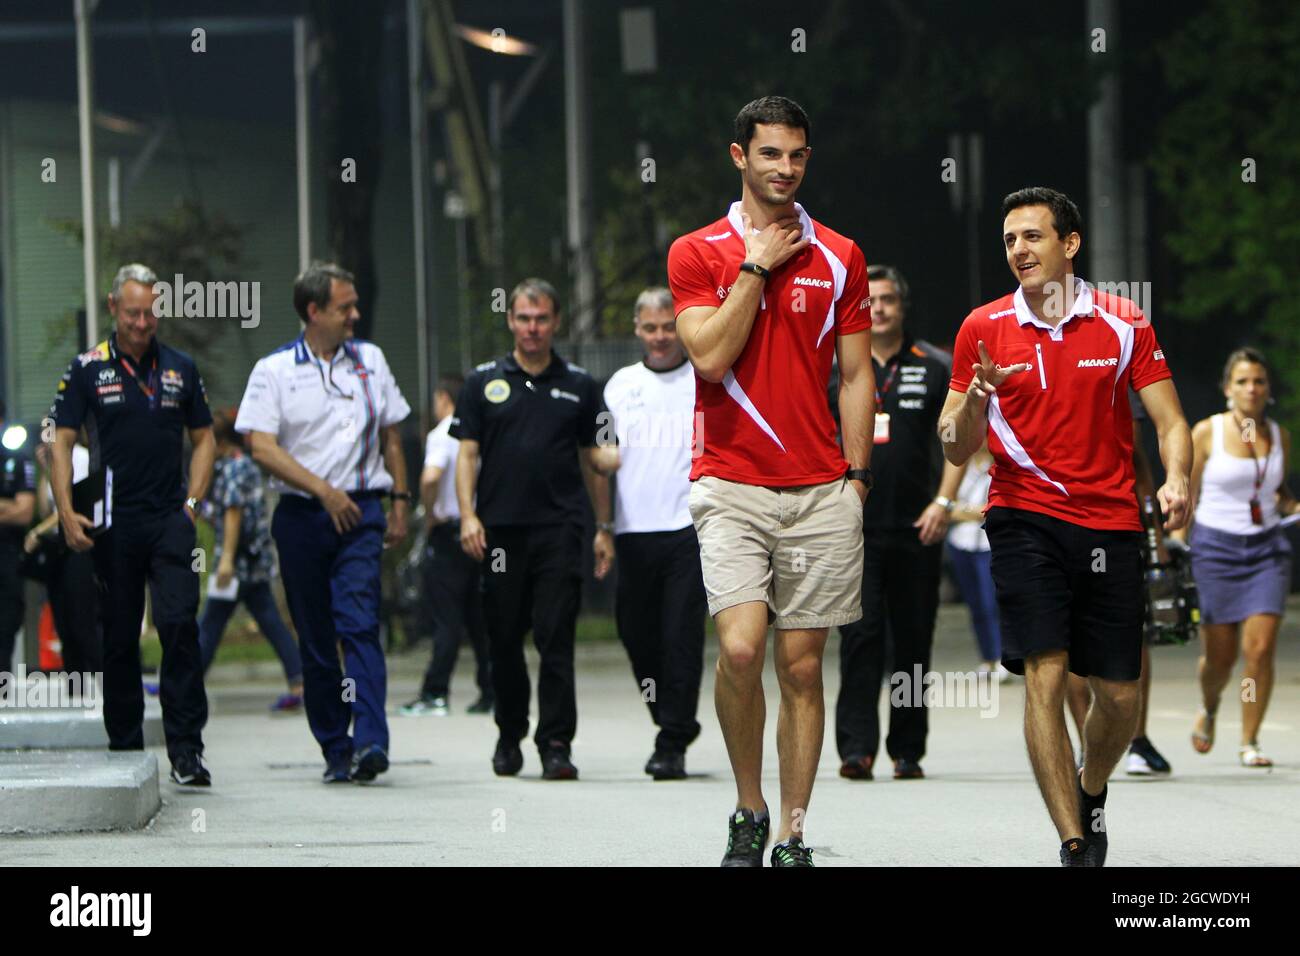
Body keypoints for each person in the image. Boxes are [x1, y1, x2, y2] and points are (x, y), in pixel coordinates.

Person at [938, 187, 1192, 866]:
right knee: (1045, 675)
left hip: (1109, 524)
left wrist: (1176, 479)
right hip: (1022, 520)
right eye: (1010, 239)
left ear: (1070, 243)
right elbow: (954, 443)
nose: (1019, 250)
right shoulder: (982, 329)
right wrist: (975, 400)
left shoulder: (1123, 322)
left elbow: (1169, 422)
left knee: (1119, 696)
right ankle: (1074, 841)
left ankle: (1092, 786)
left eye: (1033, 236)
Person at [669, 95, 874, 867]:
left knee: (801, 665)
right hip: (730, 482)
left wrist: (857, 476)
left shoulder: (843, 255)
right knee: (744, 649)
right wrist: (756, 265)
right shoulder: (698, 250)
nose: (783, 168)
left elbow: (856, 375)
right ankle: (747, 806)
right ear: (738, 157)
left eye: (795, 155)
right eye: (768, 154)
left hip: (821, 486)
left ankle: (791, 830)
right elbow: (711, 358)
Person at [235, 262, 412, 784]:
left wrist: (399, 499)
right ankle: (337, 747)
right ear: (313, 312)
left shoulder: (371, 361)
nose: (355, 315)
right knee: (315, 637)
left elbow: (393, 436)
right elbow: (260, 445)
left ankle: (372, 741)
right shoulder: (274, 372)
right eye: (345, 307)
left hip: (361, 514)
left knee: (359, 624)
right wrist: (322, 491)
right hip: (303, 517)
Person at [51, 262, 216, 786]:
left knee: (178, 626)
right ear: (112, 309)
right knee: (119, 638)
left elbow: (205, 437)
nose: (142, 323)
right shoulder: (87, 369)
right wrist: (64, 510)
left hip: (170, 520)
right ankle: (124, 745)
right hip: (112, 524)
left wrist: (191, 503)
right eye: (132, 314)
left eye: (149, 313)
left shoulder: (180, 368)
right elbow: (60, 441)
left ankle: (186, 749)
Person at [453, 277, 614, 781]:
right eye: (524, 318)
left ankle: (556, 744)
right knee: (503, 639)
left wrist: (603, 525)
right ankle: (509, 732)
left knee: (556, 638)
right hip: (499, 532)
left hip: (560, 530)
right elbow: (466, 452)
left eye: (541, 318)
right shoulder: (482, 382)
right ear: (511, 320)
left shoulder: (583, 386)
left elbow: (596, 458)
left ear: (556, 321)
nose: (532, 328)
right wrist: (467, 514)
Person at [828, 264, 967, 782]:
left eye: (888, 300)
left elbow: (959, 444)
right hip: (854, 528)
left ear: (902, 307)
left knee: (912, 640)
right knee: (859, 637)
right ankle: (856, 749)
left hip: (918, 528)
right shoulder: (841, 364)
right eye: (872, 301)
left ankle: (907, 750)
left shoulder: (934, 365)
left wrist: (944, 504)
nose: (880, 308)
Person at [601, 287, 708, 780]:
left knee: (680, 639)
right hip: (631, 532)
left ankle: (671, 739)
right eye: (651, 327)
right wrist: (603, 527)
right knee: (637, 636)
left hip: (690, 527)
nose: (661, 336)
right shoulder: (618, 386)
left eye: (669, 326)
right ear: (637, 330)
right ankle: (672, 719)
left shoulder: (706, 380)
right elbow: (600, 460)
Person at [1177, 347, 1296, 768]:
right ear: (1228, 388)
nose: (1252, 388)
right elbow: (1184, 492)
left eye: (1259, 381)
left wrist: (1293, 508)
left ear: (1267, 389)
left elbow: (1276, 495)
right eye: (1243, 381)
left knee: (1259, 649)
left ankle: (1250, 740)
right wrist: (1175, 541)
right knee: (1221, 658)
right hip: (1215, 549)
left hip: (1267, 550)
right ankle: (1210, 706)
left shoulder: (1280, 436)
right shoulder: (1207, 431)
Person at [1066, 396, 1173, 775]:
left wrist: (1156, 535)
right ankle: (1087, 746)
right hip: (1060, 519)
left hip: (1118, 524)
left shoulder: (1123, 379)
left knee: (1132, 635)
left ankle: (1137, 741)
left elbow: (1139, 463)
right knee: (1071, 638)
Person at [196, 408, 304, 712]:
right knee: (267, 622)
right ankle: (299, 681)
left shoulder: (233, 469)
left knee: (210, 624)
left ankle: (183, 682)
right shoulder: (242, 466)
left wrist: (226, 560)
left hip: (239, 563)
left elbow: (233, 514)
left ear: (218, 442)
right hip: (252, 562)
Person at [401, 374, 493, 717]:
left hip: (449, 531)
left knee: (446, 617)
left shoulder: (442, 434)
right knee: (480, 618)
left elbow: (430, 476)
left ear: (443, 398)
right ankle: (490, 690)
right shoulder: (479, 433)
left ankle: (435, 692)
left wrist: (429, 510)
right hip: (480, 531)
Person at [25, 435, 101, 675]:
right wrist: (46, 470)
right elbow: (47, 508)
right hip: (58, 547)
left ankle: (103, 680)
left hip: (79, 544)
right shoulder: (53, 462)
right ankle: (74, 685)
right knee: (63, 619)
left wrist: (38, 531)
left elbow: (71, 507)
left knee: (82, 619)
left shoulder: (79, 457)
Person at [946, 443, 1005, 678]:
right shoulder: (960, 466)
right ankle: (987, 657)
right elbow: (948, 506)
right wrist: (975, 510)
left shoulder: (1000, 466)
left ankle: (1001, 656)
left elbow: (994, 508)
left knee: (992, 603)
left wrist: (966, 510)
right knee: (975, 604)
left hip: (989, 545)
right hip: (962, 543)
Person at [0, 399, 36, 672]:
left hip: (8, 552)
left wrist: (11, 509)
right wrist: (6, 506)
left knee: (8, 617)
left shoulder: (15, 456)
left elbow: (25, 511)